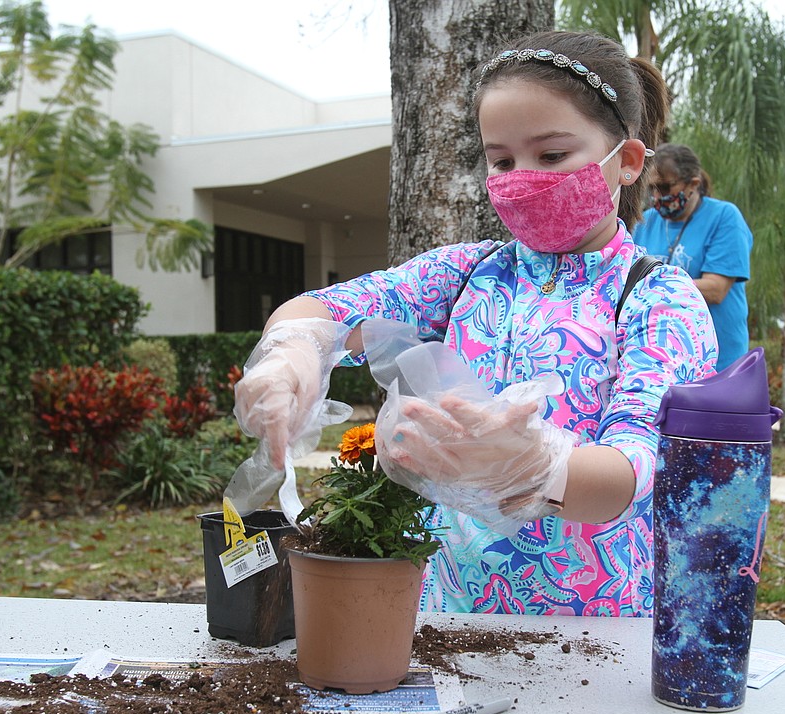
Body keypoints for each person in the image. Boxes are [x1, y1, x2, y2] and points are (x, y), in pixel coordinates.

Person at [233, 31, 717, 617]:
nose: (523, 177)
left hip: (596, 636)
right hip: (449, 621)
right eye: (502, 160)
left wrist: (538, 465)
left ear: (628, 163)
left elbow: (638, 469)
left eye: (552, 155)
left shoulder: (658, 299)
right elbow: (330, 309)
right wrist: (295, 352)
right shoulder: (468, 273)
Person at [632, 143, 753, 370]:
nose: (657, 197)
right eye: (652, 189)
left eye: (665, 188)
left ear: (693, 184)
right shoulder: (643, 223)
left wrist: (650, 285)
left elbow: (715, 289)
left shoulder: (724, 218)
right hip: (660, 363)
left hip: (718, 364)